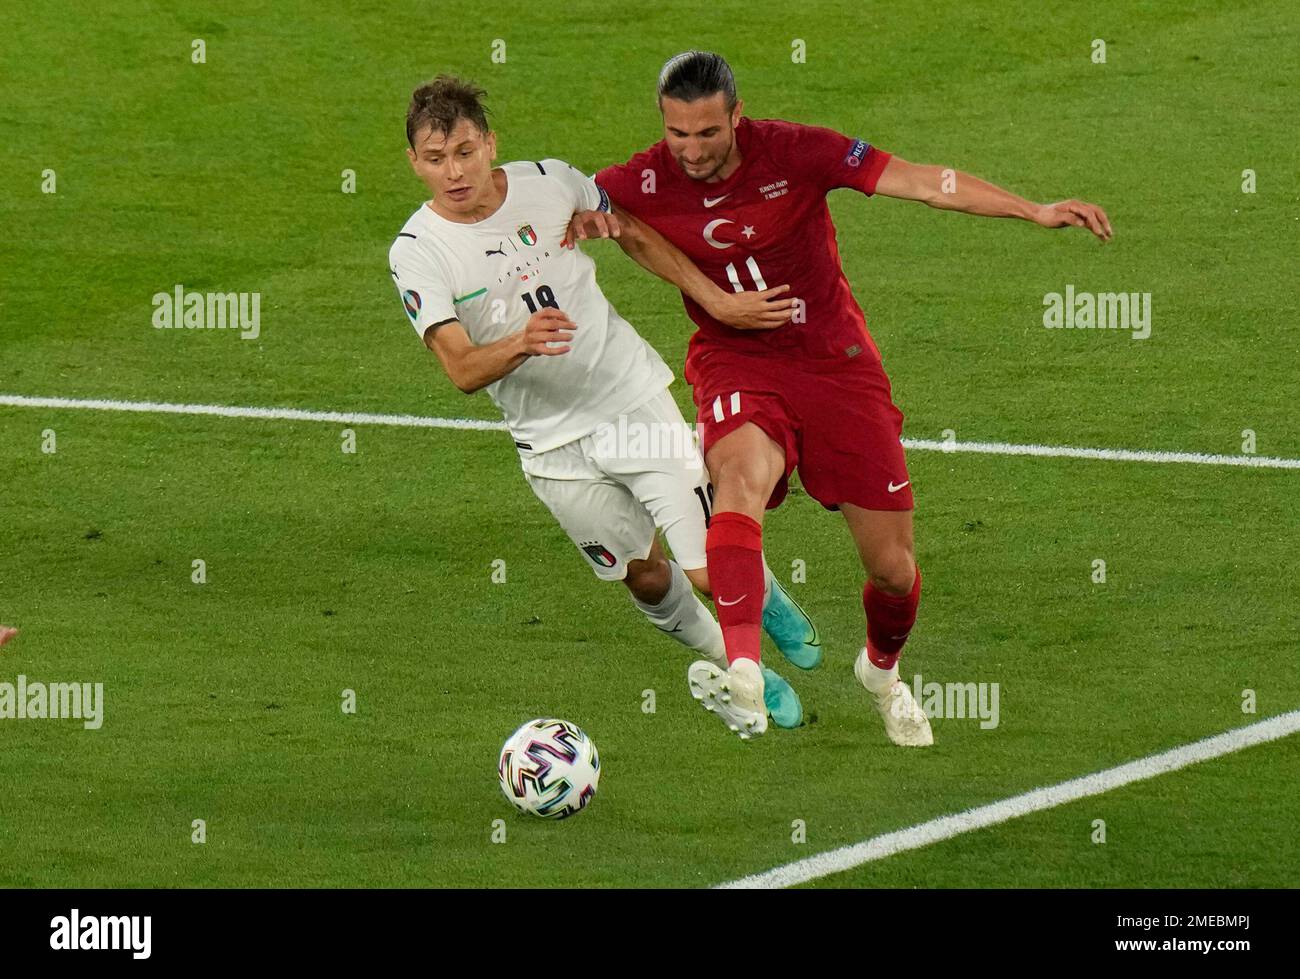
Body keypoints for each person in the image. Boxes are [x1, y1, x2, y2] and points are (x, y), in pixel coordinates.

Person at [580, 51, 1112, 744]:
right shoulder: (641, 177)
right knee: (736, 479)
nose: (690, 150)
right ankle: (743, 666)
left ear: (737, 117)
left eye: (707, 133)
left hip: (836, 365)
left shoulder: (798, 151)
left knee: (893, 570)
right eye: (677, 133)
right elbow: (592, 212)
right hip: (735, 361)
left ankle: (882, 672)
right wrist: (708, 297)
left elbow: (925, 182)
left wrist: (1033, 209)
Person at [388, 75, 822, 728]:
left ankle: (761, 613)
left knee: (707, 569)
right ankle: (744, 673)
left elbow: (634, 230)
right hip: (552, 446)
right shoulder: (417, 253)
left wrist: (712, 296)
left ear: (490, 145)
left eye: (466, 151)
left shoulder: (548, 182)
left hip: (630, 403)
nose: (454, 171)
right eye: (436, 158)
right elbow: (460, 367)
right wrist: (522, 342)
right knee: (646, 577)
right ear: (414, 162)